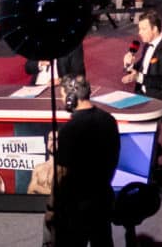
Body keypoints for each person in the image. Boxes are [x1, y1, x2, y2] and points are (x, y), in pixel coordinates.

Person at [50, 76, 118, 247]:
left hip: (76, 205)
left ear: (71, 98)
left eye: (62, 95)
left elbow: (60, 173)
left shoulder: (69, 130)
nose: (61, 99)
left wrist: (53, 205)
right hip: (103, 198)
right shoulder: (109, 120)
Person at [122, 8, 162, 124]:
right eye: (139, 29)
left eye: (143, 29)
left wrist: (137, 78)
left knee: (132, 123)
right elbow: (141, 67)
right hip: (142, 95)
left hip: (158, 99)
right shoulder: (147, 46)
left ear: (154, 29)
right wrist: (130, 65)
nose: (139, 32)